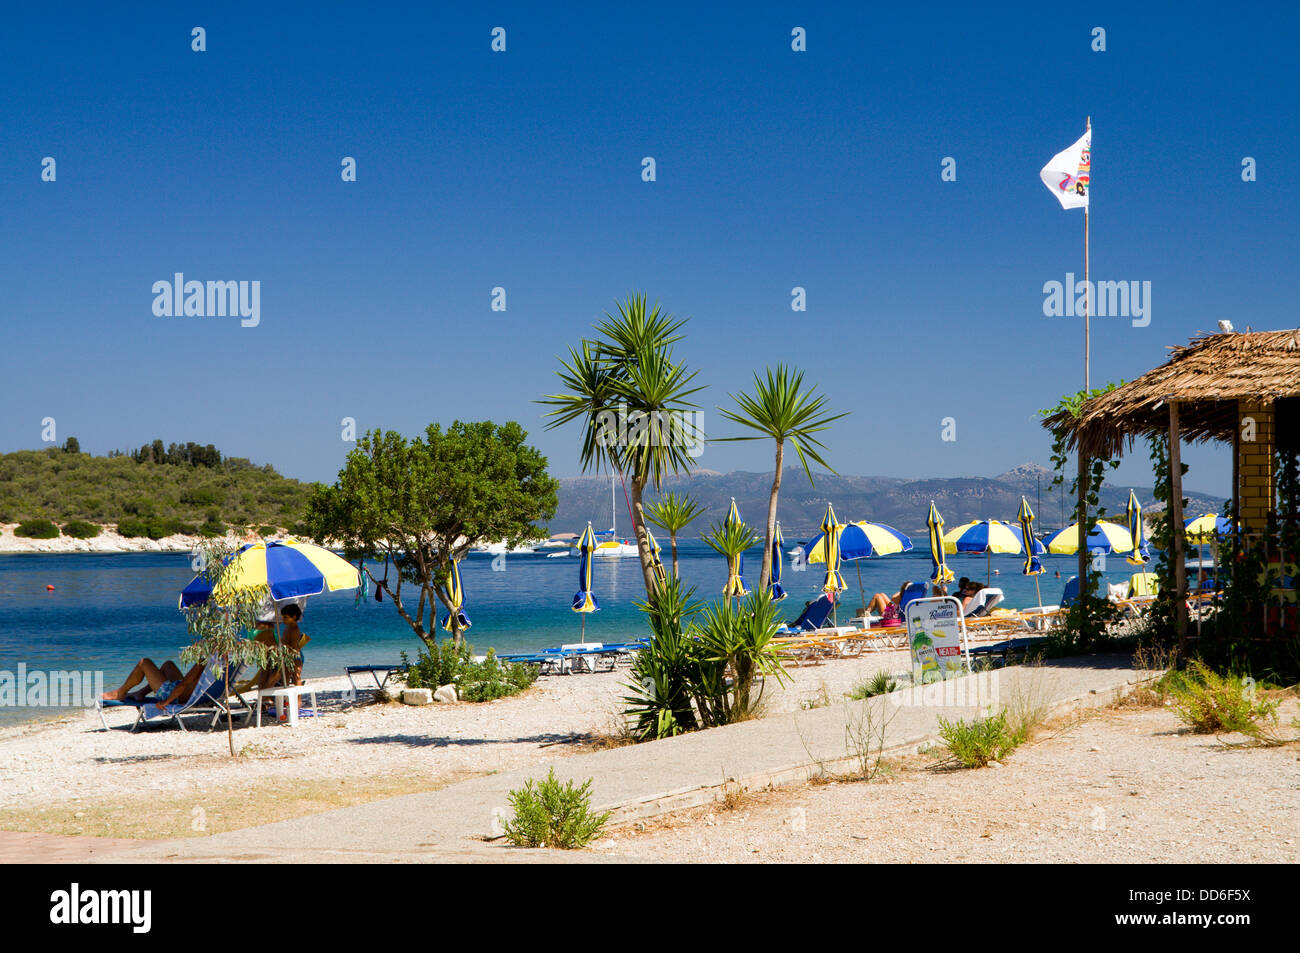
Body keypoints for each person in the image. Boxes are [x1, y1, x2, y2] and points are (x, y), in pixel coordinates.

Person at [102, 656, 206, 706]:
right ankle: (140, 693)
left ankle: (120, 693)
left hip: (175, 696)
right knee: (168, 665)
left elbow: (183, 686)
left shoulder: (203, 661)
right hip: (188, 694)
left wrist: (166, 702)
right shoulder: (216, 663)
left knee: (144, 662)